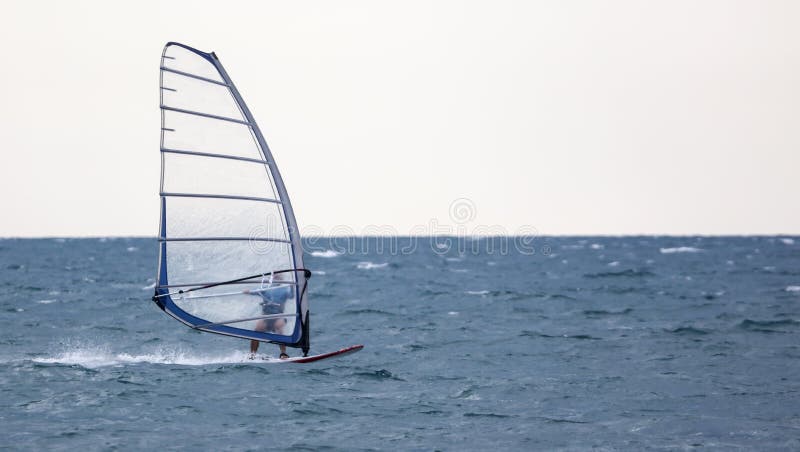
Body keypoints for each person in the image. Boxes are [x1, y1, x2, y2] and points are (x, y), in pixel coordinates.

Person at [245, 277, 293, 359]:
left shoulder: (284, 290)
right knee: (256, 331)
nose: (277, 278)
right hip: (266, 317)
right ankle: (252, 354)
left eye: (279, 277)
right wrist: (248, 291)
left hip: (278, 316)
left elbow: (291, 296)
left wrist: (292, 287)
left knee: (279, 328)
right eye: (275, 276)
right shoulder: (265, 289)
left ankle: (283, 353)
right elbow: (255, 292)